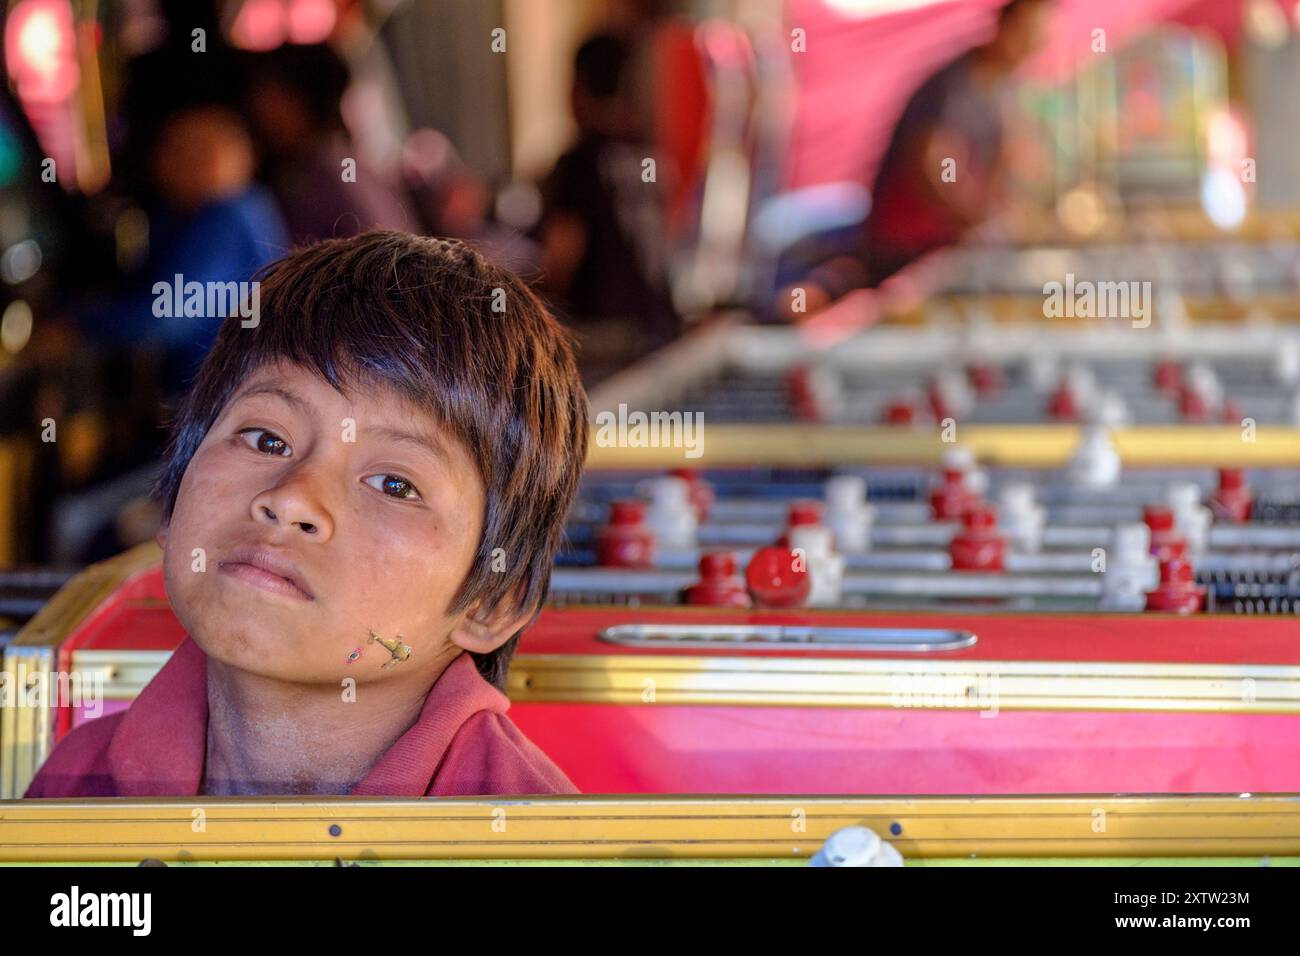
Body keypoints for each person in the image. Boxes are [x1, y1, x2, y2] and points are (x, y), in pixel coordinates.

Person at [25, 231, 589, 798]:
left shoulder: (530, 842)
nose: (292, 499)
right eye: (267, 440)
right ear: (170, 505)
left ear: (493, 601)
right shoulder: (79, 782)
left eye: (395, 484)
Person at [788, 0, 1051, 312]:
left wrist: (1002, 216)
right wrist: (973, 220)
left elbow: (1007, 161)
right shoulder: (953, 83)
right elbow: (931, 164)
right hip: (904, 246)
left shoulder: (1002, 90)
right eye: (1029, 31)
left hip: (943, 249)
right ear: (1003, 28)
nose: (1037, 42)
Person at [537, 32, 680, 360]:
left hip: (603, 339)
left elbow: (561, 259)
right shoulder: (649, 154)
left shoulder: (582, 161)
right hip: (659, 330)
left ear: (578, 85)